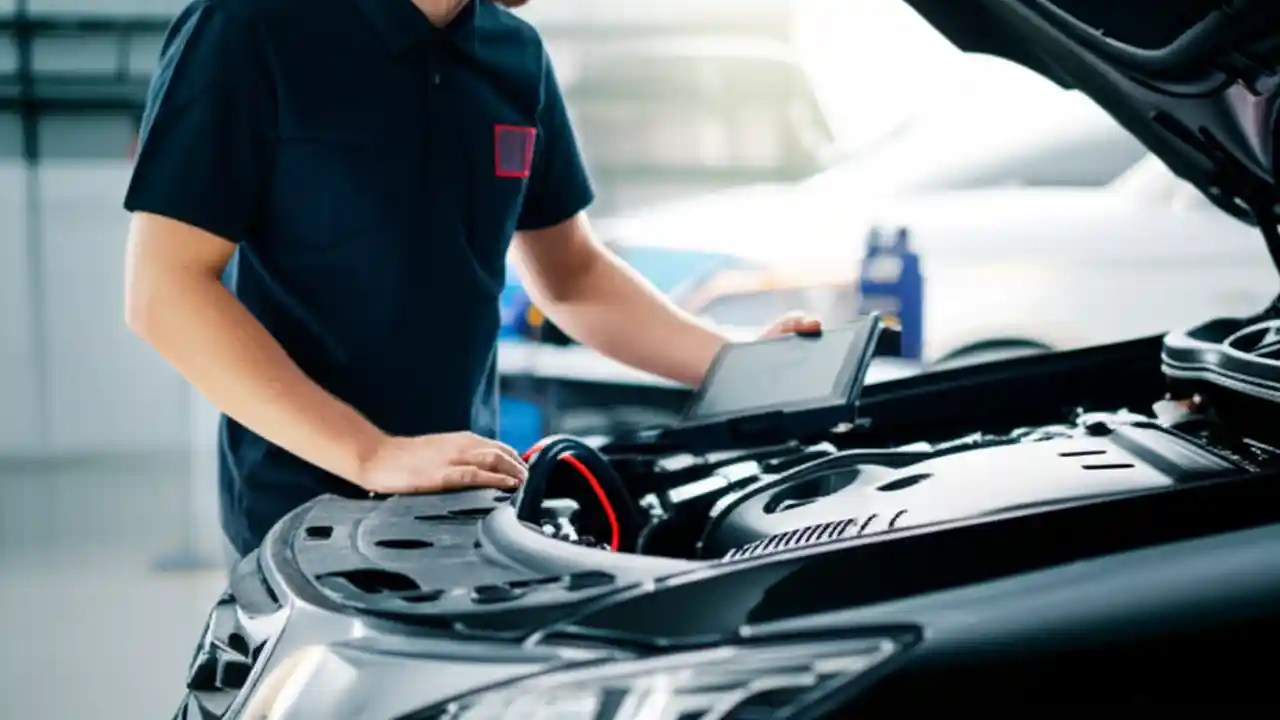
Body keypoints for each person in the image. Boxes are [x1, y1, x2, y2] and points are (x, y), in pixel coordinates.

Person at [122, 0, 822, 568]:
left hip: (467, 494)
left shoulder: (514, 56)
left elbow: (573, 276)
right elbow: (166, 291)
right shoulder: (249, 28)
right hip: (303, 512)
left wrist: (733, 359)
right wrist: (373, 454)